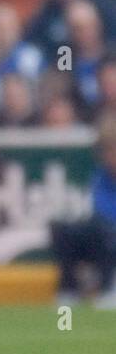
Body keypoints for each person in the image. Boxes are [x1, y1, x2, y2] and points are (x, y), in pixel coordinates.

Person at [51, 116, 116, 308]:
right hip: (107, 231)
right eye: (105, 150)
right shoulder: (100, 176)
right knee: (63, 229)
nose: (109, 156)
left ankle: (108, 287)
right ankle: (69, 290)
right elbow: (103, 210)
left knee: (105, 232)